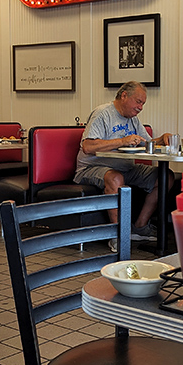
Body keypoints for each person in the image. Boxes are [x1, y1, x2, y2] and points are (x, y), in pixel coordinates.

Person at [74, 81, 172, 245]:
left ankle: (140, 227)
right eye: (138, 102)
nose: (141, 107)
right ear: (124, 95)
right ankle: (117, 235)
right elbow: (87, 146)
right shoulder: (102, 114)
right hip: (91, 167)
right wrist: (122, 141)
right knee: (115, 178)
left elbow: (146, 143)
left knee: (165, 177)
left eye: (143, 104)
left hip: (125, 167)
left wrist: (161, 139)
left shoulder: (133, 119)